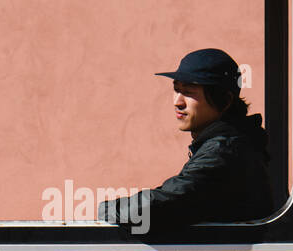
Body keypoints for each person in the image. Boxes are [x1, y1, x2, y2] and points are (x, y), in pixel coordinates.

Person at [98, 48, 273, 233]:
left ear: (225, 100)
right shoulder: (229, 143)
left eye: (189, 92)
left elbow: (161, 204)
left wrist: (107, 209)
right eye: (176, 90)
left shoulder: (225, 151)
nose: (178, 102)